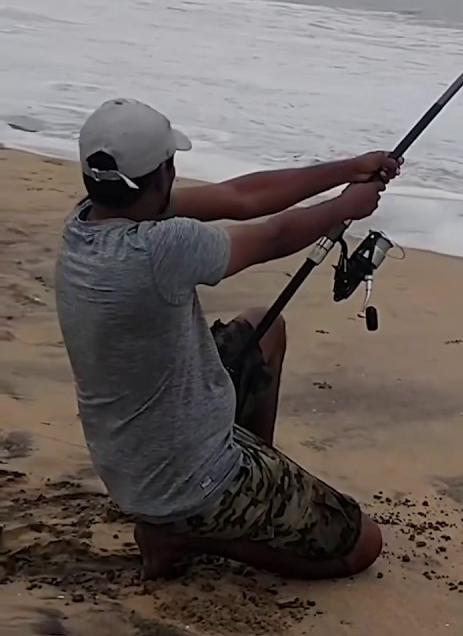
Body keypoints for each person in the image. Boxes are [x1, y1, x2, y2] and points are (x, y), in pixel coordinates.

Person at [53, 97, 401, 580]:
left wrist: (347, 170)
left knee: (264, 328)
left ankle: (254, 486)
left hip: (132, 459)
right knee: (362, 545)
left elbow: (240, 197)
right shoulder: (159, 248)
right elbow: (273, 236)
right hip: (185, 481)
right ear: (164, 173)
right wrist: (346, 207)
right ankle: (184, 533)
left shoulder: (89, 219)